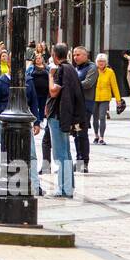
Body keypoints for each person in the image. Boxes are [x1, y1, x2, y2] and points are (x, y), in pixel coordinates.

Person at [0, 65, 45, 196]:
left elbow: (34, 102)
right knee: (6, 153)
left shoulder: (28, 81)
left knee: (31, 154)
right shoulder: (0, 82)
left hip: (25, 122)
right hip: (3, 122)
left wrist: (37, 121)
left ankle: (35, 185)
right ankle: (7, 182)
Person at [45, 43, 85, 199]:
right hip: (66, 116)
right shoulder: (71, 69)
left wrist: (50, 75)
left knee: (60, 154)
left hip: (58, 116)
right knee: (66, 153)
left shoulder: (61, 70)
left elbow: (54, 91)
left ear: (55, 55)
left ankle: (63, 189)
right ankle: (69, 186)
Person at [72, 47, 96, 173]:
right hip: (75, 105)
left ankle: (84, 162)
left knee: (82, 133)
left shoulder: (92, 67)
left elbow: (88, 83)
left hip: (86, 105)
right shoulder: (76, 68)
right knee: (76, 133)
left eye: (78, 54)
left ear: (86, 55)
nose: (76, 57)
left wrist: (72, 84)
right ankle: (79, 160)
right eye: (74, 55)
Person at [92, 53, 123, 145]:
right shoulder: (93, 70)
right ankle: (96, 135)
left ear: (106, 62)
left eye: (103, 61)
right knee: (94, 118)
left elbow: (114, 86)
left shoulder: (110, 72)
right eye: (99, 61)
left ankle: (101, 137)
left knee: (102, 117)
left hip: (105, 98)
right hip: (94, 97)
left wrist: (118, 99)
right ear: (96, 62)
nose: (101, 63)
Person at [30, 53, 53, 174]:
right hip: (35, 93)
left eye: (40, 58)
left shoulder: (48, 69)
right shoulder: (31, 68)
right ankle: (46, 167)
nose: (38, 59)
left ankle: (47, 167)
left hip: (45, 94)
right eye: (37, 58)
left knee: (48, 141)